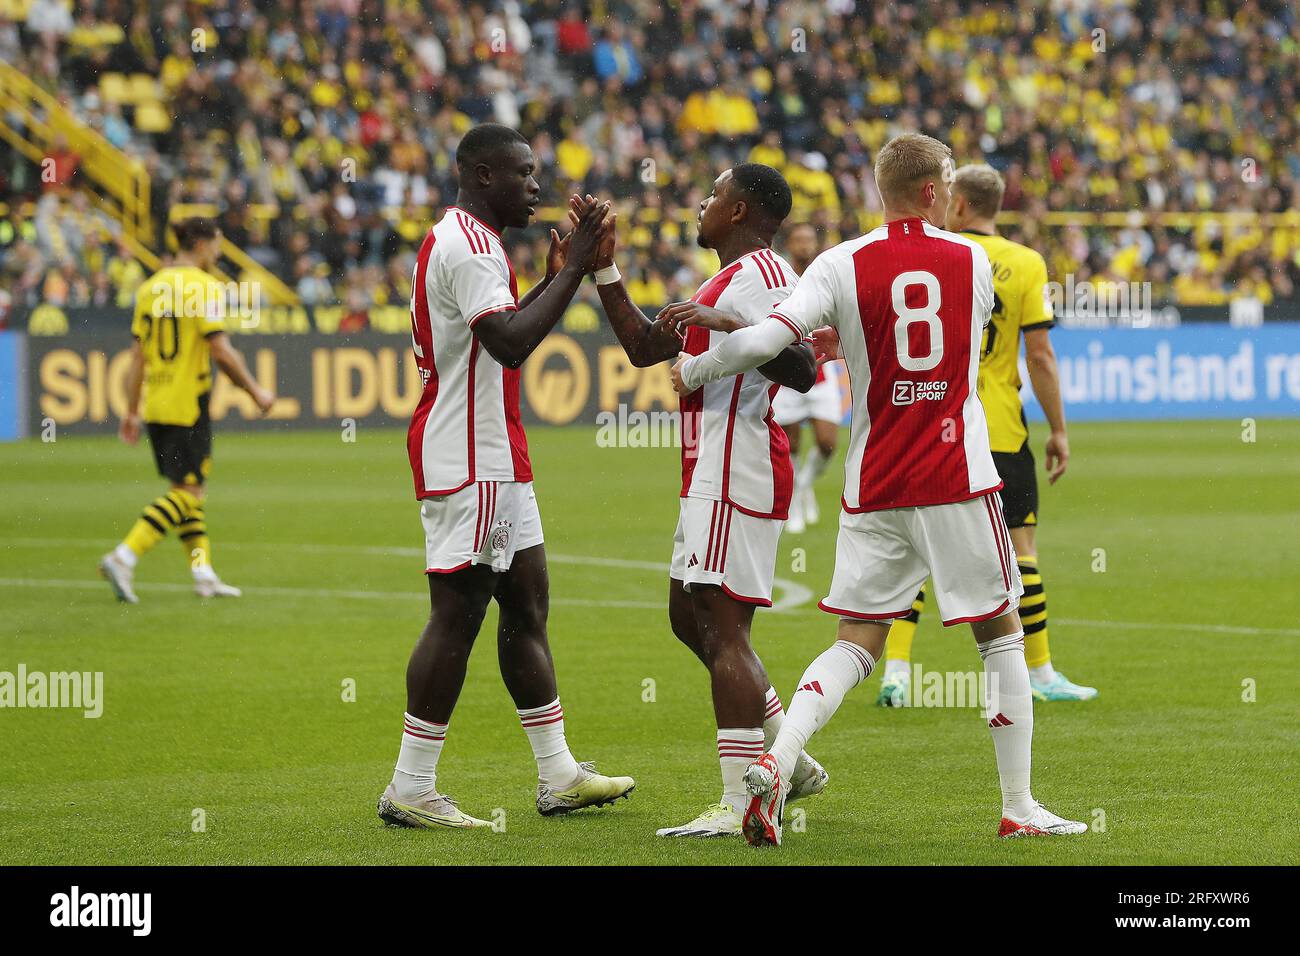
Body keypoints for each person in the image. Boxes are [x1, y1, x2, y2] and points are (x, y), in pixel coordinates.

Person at [671, 134, 1087, 846]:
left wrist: (699, 369)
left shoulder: (840, 261)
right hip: (956, 475)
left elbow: (770, 342)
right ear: (932, 192)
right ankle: (1018, 804)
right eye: (949, 188)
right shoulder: (974, 260)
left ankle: (778, 757)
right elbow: (944, 340)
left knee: (855, 642)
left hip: (877, 479)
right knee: (1000, 634)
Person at [377, 124, 634, 830]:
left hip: (496, 456)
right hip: (471, 456)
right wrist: (578, 267)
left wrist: (557, 275)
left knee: (526, 605)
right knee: (456, 617)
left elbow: (504, 331)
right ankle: (411, 785)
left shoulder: (471, 240)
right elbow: (511, 343)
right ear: (482, 175)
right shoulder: (467, 244)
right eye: (523, 174)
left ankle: (558, 775)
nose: (537, 187)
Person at [590, 164, 827, 838]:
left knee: (724, 631)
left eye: (715, 195)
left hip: (737, 461)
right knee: (686, 617)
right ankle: (790, 756)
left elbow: (803, 367)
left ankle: (737, 799)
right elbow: (644, 346)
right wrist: (602, 271)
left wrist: (726, 324)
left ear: (741, 209)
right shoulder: (724, 279)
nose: (702, 202)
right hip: (710, 467)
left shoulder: (767, 276)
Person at [878, 164, 1096, 705]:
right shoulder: (1023, 263)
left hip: (933, 426)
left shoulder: (937, 254)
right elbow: (1040, 356)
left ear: (961, 205)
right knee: (1021, 549)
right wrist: (1060, 430)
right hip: (999, 425)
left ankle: (898, 673)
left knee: (918, 553)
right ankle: (1041, 673)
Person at [99, 217, 273, 603]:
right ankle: (125, 556)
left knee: (187, 487)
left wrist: (130, 411)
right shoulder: (204, 287)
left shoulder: (149, 287)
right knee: (189, 492)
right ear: (200, 243)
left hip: (157, 403)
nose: (218, 253)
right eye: (216, 244)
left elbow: (137, 357)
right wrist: (255, 390)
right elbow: (220, 350)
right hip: (188, 403)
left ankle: (202, 572)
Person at [770, 222, 842, 534]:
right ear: (789, 244)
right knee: (792, 447)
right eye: (799, 239)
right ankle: (795, 502)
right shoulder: (782, 276)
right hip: (790, 375)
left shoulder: (826, 275)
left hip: (822, 373)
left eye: (809, 238)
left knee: (828, 444)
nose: (804, 245)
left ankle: (805, 486)